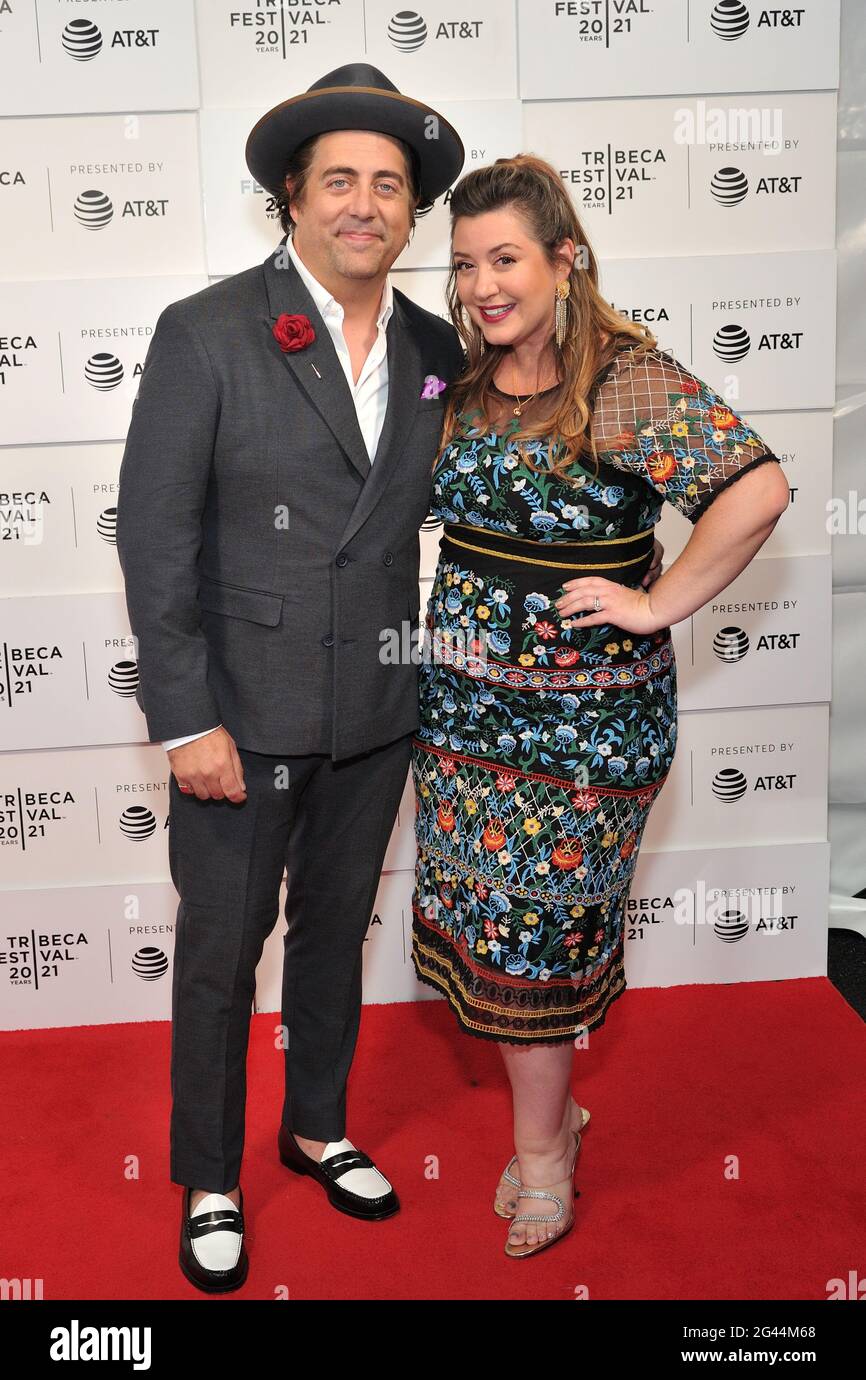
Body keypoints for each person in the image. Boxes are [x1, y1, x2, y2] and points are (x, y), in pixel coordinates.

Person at [115, 63, 465, 1293]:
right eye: (340, 181)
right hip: (238, 717)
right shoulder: (206, 329)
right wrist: (186, 718)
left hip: (375, 707)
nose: (365, 203)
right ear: (291, 196)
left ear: (411, 212)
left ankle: (315, 1124)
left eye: (388, 184)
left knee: (331, 939)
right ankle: (211, 1173)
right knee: (221, 951)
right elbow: (156, 538)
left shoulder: (435, 348)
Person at [409, 154, 791, 1259]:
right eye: (467, 262)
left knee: (533, 939)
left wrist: (654, 601)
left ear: (563, 258)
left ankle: (541, 1155)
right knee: (492, 927)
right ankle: (553, 1115)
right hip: (466, 713)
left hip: (583, 725)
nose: (483, 283)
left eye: (507, 259)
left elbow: (754, 488)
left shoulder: (620, 378)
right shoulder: (464, 380)